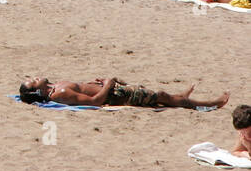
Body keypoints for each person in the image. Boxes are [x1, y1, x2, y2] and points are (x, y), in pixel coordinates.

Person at [18, 77, 228, 110]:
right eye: (34, 80)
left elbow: (84, 89)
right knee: (161, 96)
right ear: (38, 89)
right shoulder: (59, 94)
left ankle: (181, 98)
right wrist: (108, 84)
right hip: (116, 96)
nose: (37, 76)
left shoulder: (56, 87)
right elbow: (95, 101)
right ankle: (208, 104)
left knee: (160, 95)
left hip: (112, 90)